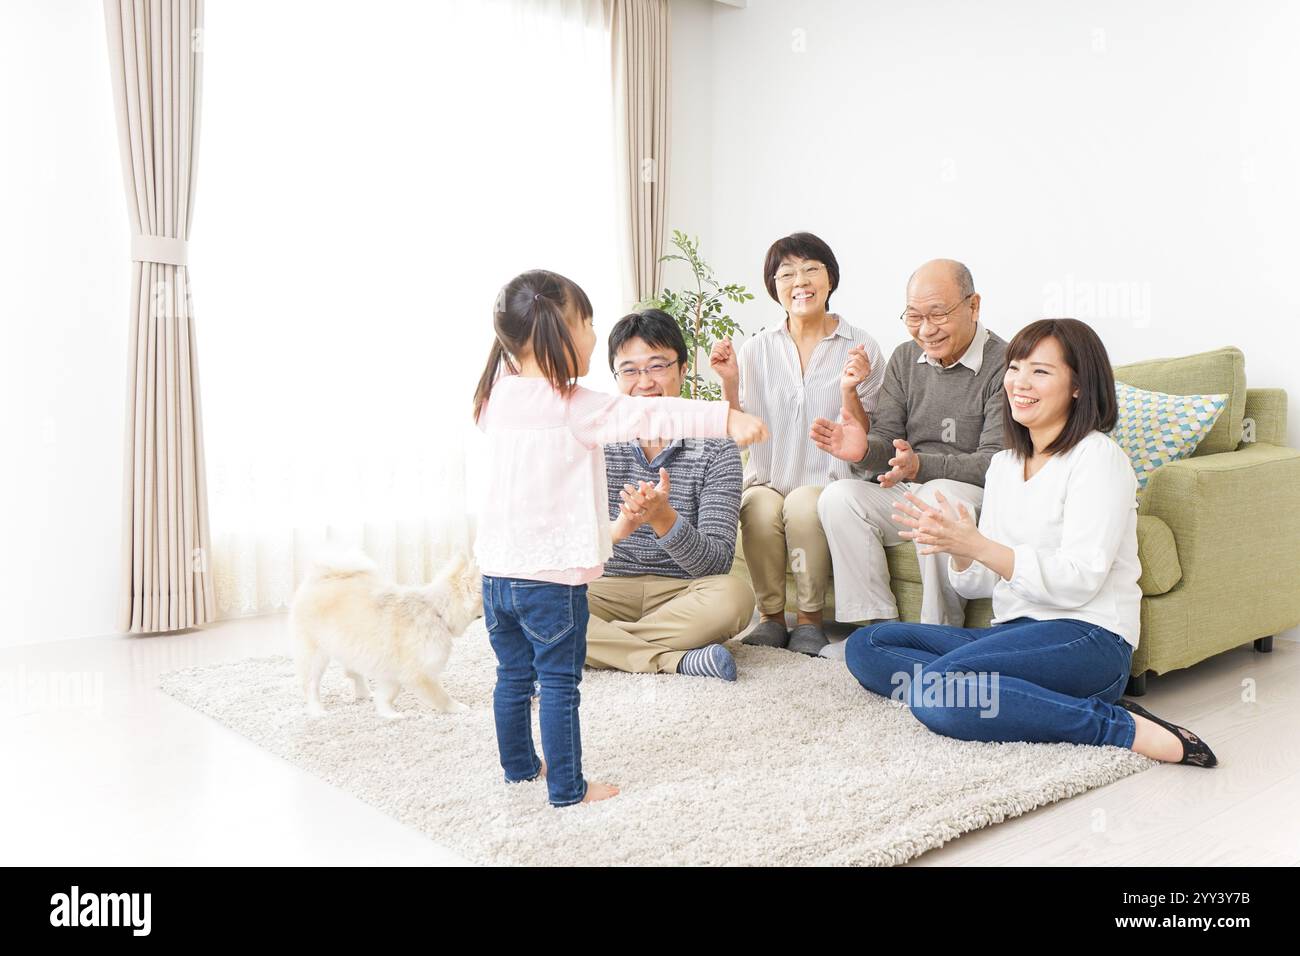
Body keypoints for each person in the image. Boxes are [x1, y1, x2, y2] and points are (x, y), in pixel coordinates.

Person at [842, 318, 1217, 768]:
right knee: (868, 646)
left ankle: (1118, 726)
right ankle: (1013, 693)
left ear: (1078, 386)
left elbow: (1080, 580)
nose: (1020, 382)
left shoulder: (1097, 458)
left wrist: (979, 546)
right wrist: (961, 549)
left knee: (937, 692)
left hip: (1088, 639)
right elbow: (981, 583)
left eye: (1040, 371)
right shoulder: (1004, 464)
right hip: (1015, 630)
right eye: (1015, 368)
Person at [472, 269, 769, 807]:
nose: (590, 333)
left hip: (496, 575)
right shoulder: (576, 405)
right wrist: (726, 415)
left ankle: (519, 768)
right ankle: (567, 788)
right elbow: (646, 411)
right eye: (586, 324)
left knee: (514, 676)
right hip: (557, 581)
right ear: (557, 334)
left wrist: (650, 520)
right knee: (559, 684)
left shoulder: (495, 397)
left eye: (657, 366)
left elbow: (714, 558)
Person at [812, 259, 1006, 643]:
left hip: (969, 493)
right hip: (913, 485)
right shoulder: (904, 358)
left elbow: (995, 462)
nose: (926, 329)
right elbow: (888, 441)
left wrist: (920, 466)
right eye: (914, 316)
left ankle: (937, 635)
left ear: (974, 306)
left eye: (938, 314)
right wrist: (864, 449)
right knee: (839, 497)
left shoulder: (1005, 362)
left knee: (939, 499)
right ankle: (876, 631)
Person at [709, 231, 885, 656]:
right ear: (775, 286)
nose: (799, 281)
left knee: (804, 506)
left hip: (827, 480)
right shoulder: (757, 349)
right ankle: (771, 617)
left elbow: (872, 434)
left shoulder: (860, 347)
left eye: (810, 270)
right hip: (769, 476)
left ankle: (808, 619)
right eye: (786, 273)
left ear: (830, 280)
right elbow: (737, 424)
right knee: (758, 505)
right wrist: (729, 384)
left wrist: (852, 390)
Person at [584, 309, 756, 680]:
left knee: (735, 597)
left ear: (682, 369)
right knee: (531, 607)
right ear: (616, 377)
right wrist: (623, 525)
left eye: (657, 366)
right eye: (629, 370)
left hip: (682, 592)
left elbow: (716, 565)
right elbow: (575, 544)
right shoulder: (595, 440)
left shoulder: (716, 445)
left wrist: (664, 519)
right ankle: (673, 659)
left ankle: (599, 646)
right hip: (604, 588)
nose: (644, 382)